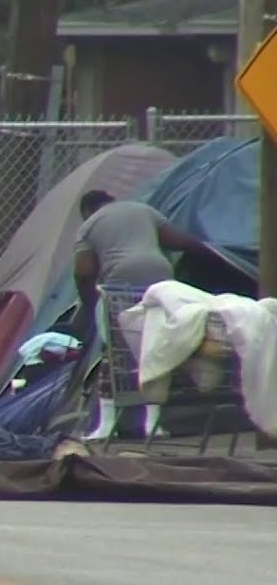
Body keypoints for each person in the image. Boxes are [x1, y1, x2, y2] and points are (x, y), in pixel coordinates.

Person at [72, 189, 207, 441]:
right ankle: (153, 424)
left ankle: (107, 425)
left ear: (88, 211)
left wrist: (88, 300)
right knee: (157, 345)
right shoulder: (142, 209)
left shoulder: (89, 226)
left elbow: (84, 270)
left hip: (120, 282)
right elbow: (178, 241)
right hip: (160, 278)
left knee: (116, 351)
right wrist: (211, 252)